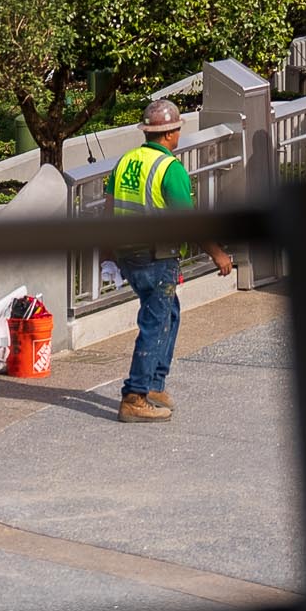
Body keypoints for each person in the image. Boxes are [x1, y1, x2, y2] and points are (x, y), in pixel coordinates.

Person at [103, 100, 234, 424]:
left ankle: (154, 385)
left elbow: (108, 209)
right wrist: (217, 253)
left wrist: (109, 254)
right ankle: (134, 396)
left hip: (128, 256)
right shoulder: (169, 168)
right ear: (171, 133)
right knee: (155, 322)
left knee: (167, 313)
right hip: (155, 257)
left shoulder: (127, 161)